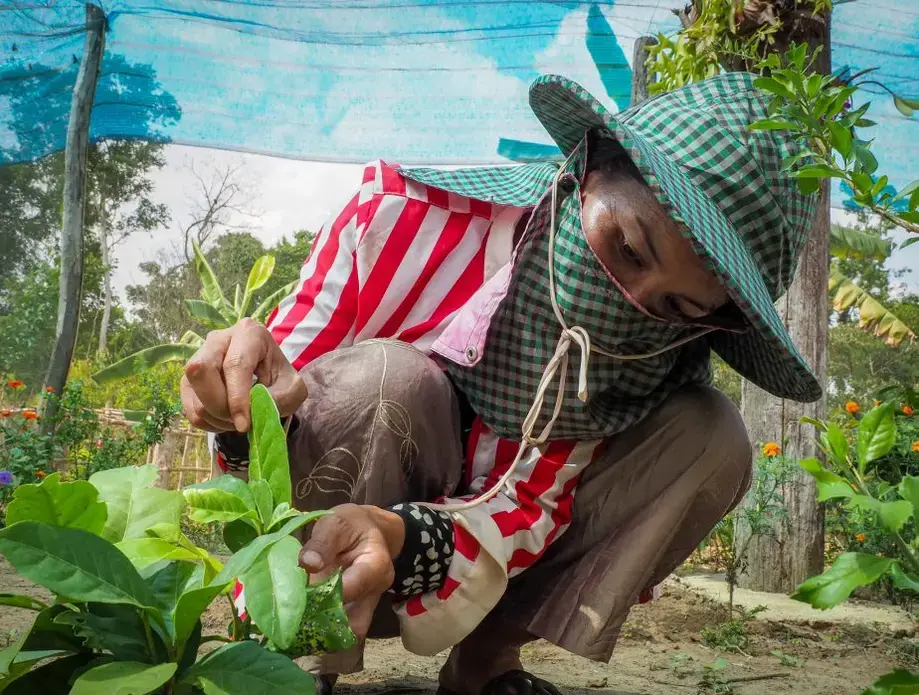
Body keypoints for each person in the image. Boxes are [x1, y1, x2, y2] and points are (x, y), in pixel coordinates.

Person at [181, 72, 820, 695]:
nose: (630, 303)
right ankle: (296, 650)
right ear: (585, 171)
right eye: (626, 246)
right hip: (321, 546)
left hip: (442, 558)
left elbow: (530, 504)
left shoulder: (644, 354)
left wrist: (399, 535)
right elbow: (267, 427)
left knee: (711, 434)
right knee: (391, 378)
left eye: (677, 306)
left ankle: (486, 662)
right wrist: (236, 405)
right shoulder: (397, 222)